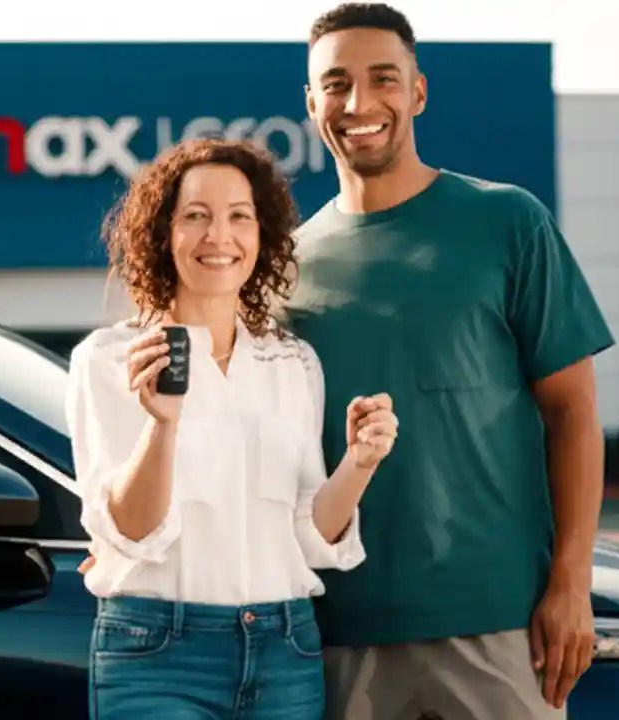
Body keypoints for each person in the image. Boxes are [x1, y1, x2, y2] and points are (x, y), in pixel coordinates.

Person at [283, 4, 616, 719]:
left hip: (499, 626)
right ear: (311, 103)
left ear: (419, 92)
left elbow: (574, 412)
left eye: (383, 80)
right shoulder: (286, 268)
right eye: (335, 84)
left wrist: (571, 580)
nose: (359, 104)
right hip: (341, 634)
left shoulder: (507, 222)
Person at [65, 137, 400, 719]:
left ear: (260, 235)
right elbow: (129, 532)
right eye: (195, 216)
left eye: (239, 217)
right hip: (157, 652)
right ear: (163, 234)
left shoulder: (291, 364)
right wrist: (161, 426)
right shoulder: (109, 359)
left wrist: (359, 463)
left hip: (283, 648)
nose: (218, 236)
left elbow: (308, 534)